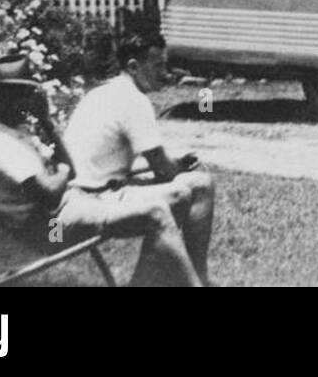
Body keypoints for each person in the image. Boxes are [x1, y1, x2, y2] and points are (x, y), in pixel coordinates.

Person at [58, 42, 215, 287]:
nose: (165, 73)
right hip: (89, 200)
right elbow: (164, 172)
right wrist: (176, 166)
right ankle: (195, 280)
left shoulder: (104, 92)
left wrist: (175, 163)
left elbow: (110, 162)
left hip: (86, 191)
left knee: (193, 186)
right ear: (133, 66)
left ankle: (191, 279)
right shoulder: (133, 100)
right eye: (158, 65)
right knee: (192, 187)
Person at [0, 83, 71, 237]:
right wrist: (65, 170)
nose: (28, 103)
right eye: (20, 97)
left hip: (48, 218)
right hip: (49, 231)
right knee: (117, 214)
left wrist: (45, 121)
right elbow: (51, 193)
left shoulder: (8, 132)